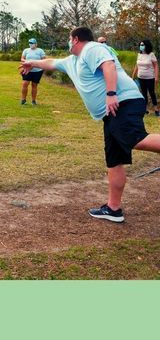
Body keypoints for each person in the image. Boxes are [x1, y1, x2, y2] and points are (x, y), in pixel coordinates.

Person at [20, 26, 157, 223]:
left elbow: (108, 66)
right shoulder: (72, 61)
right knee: (114, 159)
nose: (68, 41)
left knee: (134, 138)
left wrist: (111, 94)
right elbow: (50, 62)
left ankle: (114, 207)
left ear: (75, 39)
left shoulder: (92, 49)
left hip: (123, 102)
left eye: (69, 38)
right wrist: (32, 62)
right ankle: (113, 208)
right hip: (111, 113)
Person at [133, 39, 159, 116]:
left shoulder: (151, 54)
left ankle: (156, 109)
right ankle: (145, 109)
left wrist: (156, 77)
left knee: (152, 93)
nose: (141, 46)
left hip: (150, 77)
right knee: (143, 93)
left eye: (143, 45)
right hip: (140, 77)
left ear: (147, 46)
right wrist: (133, 74)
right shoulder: (139, 54)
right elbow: (137, 65)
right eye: (140, 45)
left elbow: (156, 66)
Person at [20, 38, 45, 105]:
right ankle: (23, 100)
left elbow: (43, 60)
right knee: (25, 83)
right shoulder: (26, 50)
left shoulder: (40, 51)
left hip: (37, 71)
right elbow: (22, 58)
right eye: (30, 43)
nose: (31, 44)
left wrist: (35, 64)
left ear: (36, 44)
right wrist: (27, 62)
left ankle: (33, 101)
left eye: (32, 43)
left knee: (34, 85)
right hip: (27, 70)